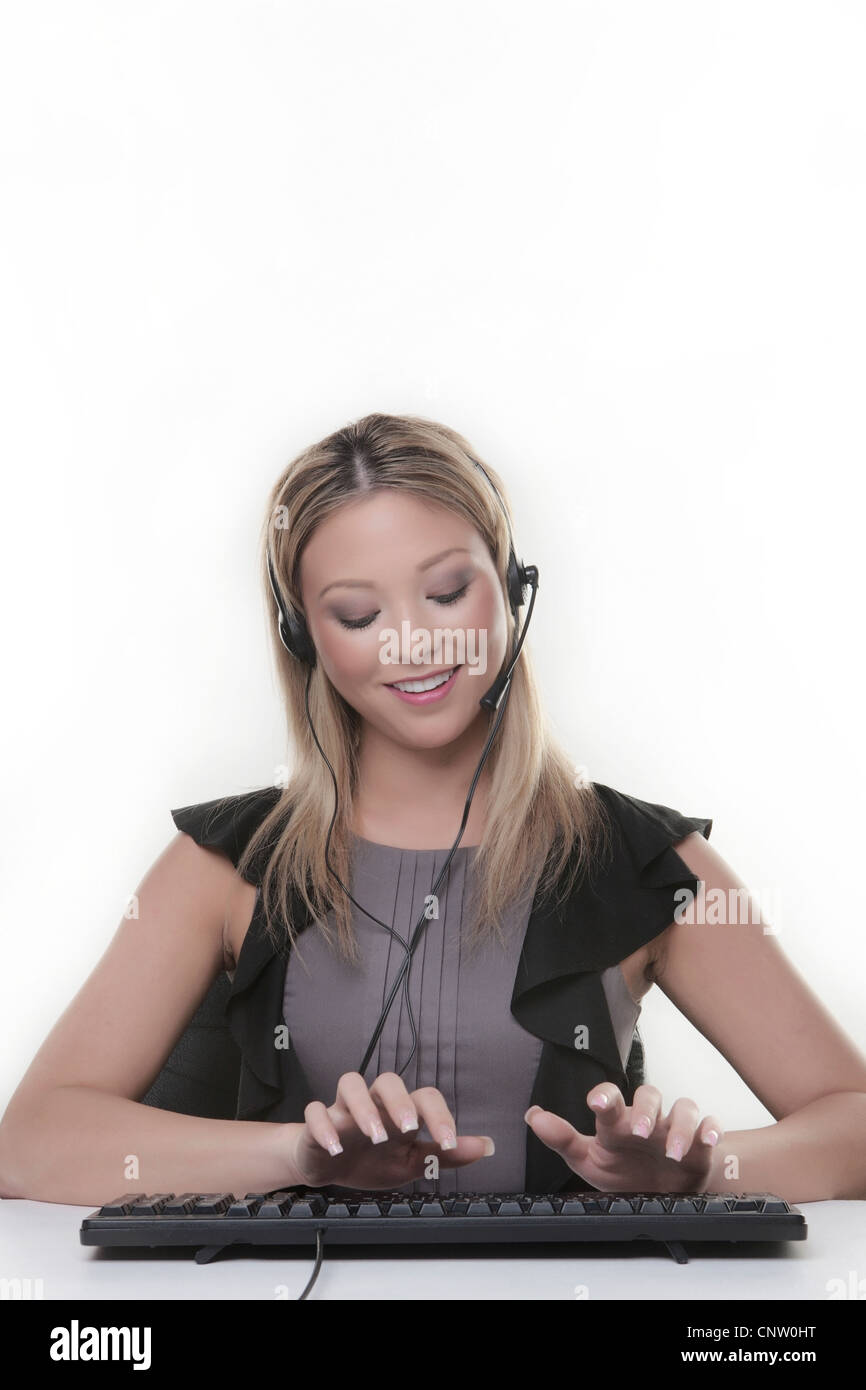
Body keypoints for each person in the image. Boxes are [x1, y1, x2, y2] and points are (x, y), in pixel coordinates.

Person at [2, 412, 865, 1208]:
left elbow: (852, 1122)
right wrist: (295, 1155)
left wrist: (707, 1173)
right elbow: (31, 1145)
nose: (413, 639)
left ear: (514, 589)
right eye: (357, 612)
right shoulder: (225, 865)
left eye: (448, 593)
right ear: (304, 635)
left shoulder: (640, 861)